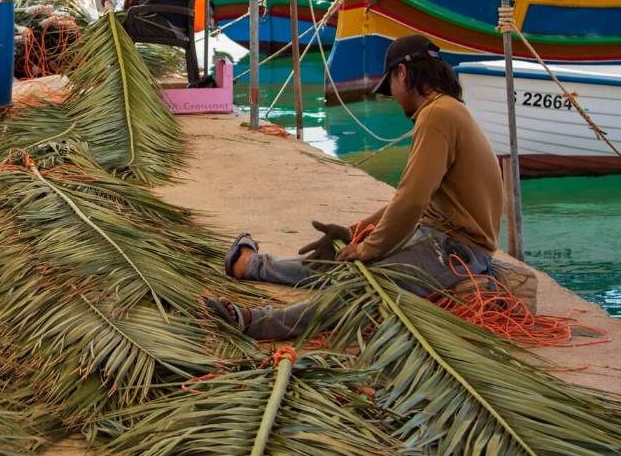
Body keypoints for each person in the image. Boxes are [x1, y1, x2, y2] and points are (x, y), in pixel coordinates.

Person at [207, 35, 504, 340]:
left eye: (390, 88)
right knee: (341, 260)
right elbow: (416, 202)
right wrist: (355, 231)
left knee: (363, 284)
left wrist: (368, 248)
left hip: (457, 250)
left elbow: (412, 200)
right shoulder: (446, 110)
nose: (393, 97)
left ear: (402, 73)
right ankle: (251, 265)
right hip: (436, 235)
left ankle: (259, 323)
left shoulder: (437, 115)